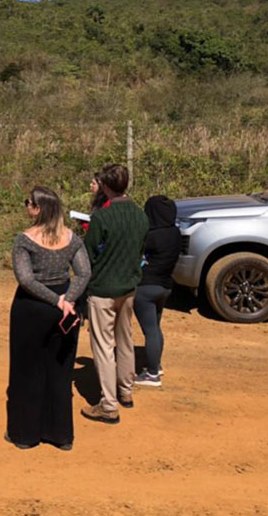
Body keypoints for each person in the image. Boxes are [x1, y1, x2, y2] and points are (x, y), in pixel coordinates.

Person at [6, 187, 91, 450]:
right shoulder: (72, 237)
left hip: (31, 307)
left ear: (38, 208)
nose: (26, 207)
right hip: (64, 306)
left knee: (27, 369)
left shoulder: (24, 239)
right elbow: (84, 273)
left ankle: (25, 434)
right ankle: (61, 435)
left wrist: (57, 301)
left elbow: (26, 279)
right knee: (60, 369)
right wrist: (67, 299)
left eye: (28, 203)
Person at [81, 163, 149, 425]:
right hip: (129, 287)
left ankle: (109, 405)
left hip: (103, 288)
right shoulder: (140, 215)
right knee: (126, 339)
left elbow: (86, 254)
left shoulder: (102, 217)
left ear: (106, 186)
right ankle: (126, 391)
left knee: (103, 346)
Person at [133, 195, 181, 388]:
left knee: (150, 330)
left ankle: (153, 375)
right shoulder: (175, 233)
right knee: (155, 328)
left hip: (146, 288)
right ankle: (156, 365)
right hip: (165, 286)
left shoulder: (151, 236)